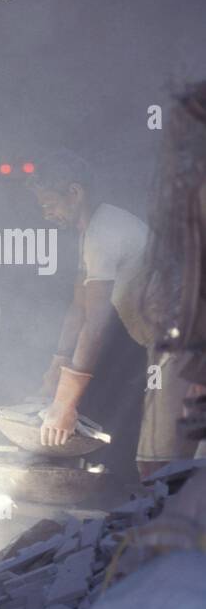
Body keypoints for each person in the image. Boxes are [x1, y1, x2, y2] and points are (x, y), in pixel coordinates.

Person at [28, 150, 196, 476]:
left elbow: (95, 323)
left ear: (75, 193)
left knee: (159, 458)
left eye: (50, 204)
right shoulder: (91, 231)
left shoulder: (103, 235)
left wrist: (64, 404)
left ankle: (169, 519)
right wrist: (56, 366)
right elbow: (79, 308)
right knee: (162, 453)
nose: (46, 214)